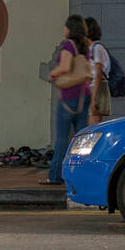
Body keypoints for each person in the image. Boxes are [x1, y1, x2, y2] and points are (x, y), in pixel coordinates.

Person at [44, 14, 90, 185]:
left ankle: (55, 175)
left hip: (69, 97)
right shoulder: (86, 46)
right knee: (82, 139)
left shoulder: (68, 45)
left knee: (62, 138)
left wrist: (52, 74)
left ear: (70, 28)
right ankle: (81, 175)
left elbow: (64, 67)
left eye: (65, 26)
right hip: (83, 96)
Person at [85, 16, 111, 125]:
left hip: (97, 88)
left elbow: (98, 73)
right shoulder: (91, 48)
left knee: (92, 128)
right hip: (93, 87)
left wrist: (93, 98)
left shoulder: (97, 48)